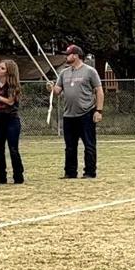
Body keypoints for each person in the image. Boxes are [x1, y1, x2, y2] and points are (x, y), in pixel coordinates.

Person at [49, 45, 103, 179]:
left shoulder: (90, 71)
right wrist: (50, 88)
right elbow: (57, 91)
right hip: (69, 115)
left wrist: (99, 110)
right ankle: (70, 172)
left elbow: (99, 90)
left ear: (76, 55)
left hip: (86, 113)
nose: (66, 57)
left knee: (89, 145)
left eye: (68, 54)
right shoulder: (64, 73)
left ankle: (90, 172)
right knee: (70, 147)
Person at [0, 59, 25, 184]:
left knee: (13, 148)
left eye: (2, 68)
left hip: (11, 119)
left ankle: (18, 176)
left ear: (9, 71)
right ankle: (1, 177)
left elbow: (10, 101)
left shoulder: (14, 86)